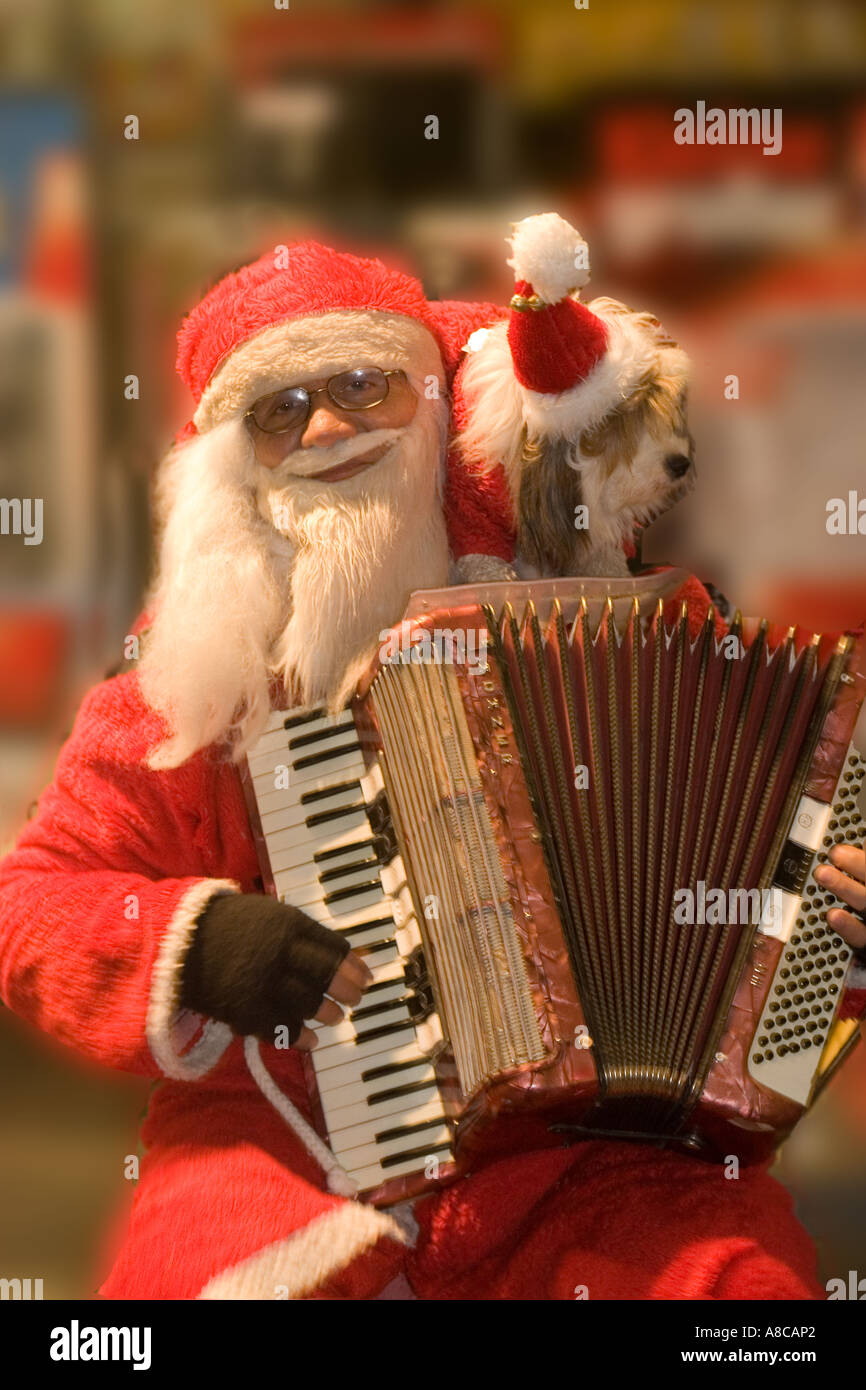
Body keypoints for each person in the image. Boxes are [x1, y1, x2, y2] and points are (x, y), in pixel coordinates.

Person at [1, 233, 864, 1300]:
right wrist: (197, 944)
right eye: (280, 409)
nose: (326, 429)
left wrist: (839, 943)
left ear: (437, 403)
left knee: (742, 1313)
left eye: (363, 385)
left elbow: (767, 901)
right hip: (284, 1152)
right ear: (238, 458)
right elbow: (31, 901)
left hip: (599, 1165)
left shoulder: (638, 623)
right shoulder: (187, 681)